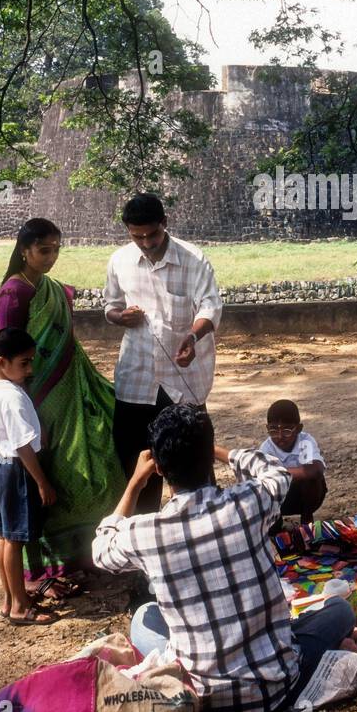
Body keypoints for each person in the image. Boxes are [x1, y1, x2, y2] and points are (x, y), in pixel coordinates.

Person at [92, 404, 355, 712]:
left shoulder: (147, 533)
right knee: (341, 611)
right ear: (207, 457)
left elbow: (101, 548)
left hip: (207, 702)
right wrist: (216, 450)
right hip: (276, 689)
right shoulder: (248, 502)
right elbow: (275, 472)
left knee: (144, 619)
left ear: (159, 468)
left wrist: (135, 483)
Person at [0, 218, 125, 592]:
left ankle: (84, 554)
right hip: (37, 398)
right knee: (48, 478)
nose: (51, 258)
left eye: (55, 250)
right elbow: (6, 352)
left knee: (94, 463)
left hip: (71, 390)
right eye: (43, 250)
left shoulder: (51, 289)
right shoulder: (13, 295)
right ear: (25, 250)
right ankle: (43, 571)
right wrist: (27, 411)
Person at [103, 192, 222, 513]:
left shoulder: (193, 259)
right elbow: (110, 307)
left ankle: (206, 533)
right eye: (136, 236)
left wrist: (193, 337)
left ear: (165, 224)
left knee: (195, 466)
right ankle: (143, 543)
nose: (145, 242)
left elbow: (211, 305)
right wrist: (120, 317)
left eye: (151, 234)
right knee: (138, 469)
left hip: (183, 382)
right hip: (136, 381)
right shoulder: (120, 260)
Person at [0, 327, 57, 626]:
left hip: (0, 467)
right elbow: (22, 446)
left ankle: (10, 597)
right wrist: (42, 482)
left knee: (4, 537)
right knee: (14, 540)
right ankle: (19, 607)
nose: (30, 369)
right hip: (17, 469)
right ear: (2, 363)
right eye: (24, 363)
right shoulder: (12, 397)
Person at [260, 398, 327, 522]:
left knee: (313, 479)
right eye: (273, 430)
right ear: (267, 428)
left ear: (298, 429)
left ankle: (307, 519)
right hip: (280, 500)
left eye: (287, 430)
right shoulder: (266, 448)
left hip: (305, 497)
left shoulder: (305, 441)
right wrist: (300, 472)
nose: (280, 436)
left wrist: (279, 473)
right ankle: (275, 523)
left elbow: (316, 470)